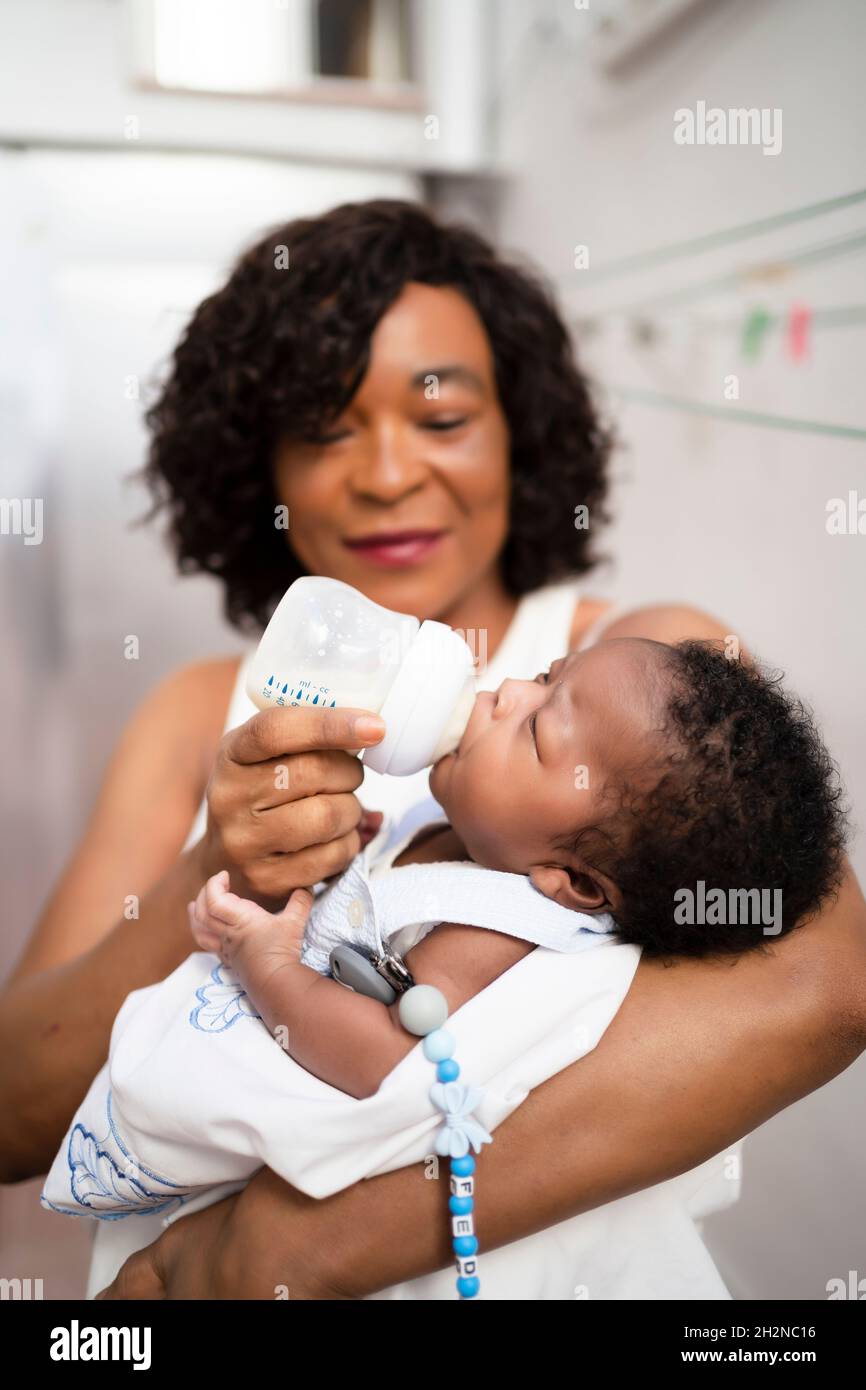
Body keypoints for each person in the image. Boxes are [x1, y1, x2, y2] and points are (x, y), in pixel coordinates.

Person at [3, 200, 865, 1301]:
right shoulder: (197, 716)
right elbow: (9, 1114)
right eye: (323, 429)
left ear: (520, 429)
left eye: (441, 418)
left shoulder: (646, 666)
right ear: (255, 468)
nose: (384, 474)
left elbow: (825, 987)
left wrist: (294, 1246)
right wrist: (208, 870)